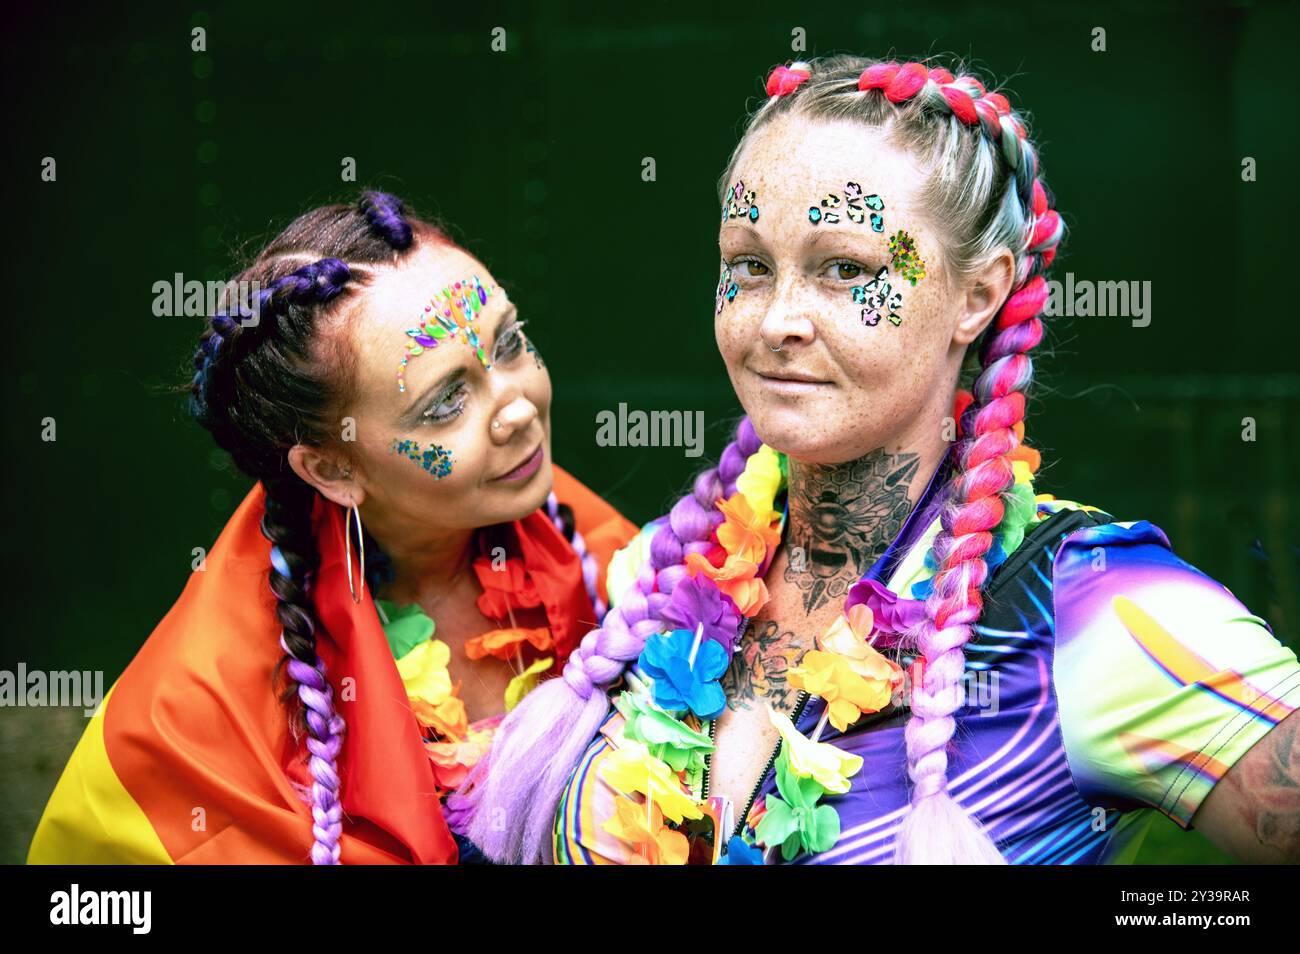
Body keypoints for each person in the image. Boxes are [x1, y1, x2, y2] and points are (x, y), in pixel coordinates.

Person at [455, 57, 1300, 865]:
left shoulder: (1084, 608)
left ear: (979, 294)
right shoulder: (658, 583)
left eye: (845, 270)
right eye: (748, 265)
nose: (777, 318)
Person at [27, 191, 637, 864]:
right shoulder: (187, 722)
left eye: (511, 343)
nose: (517, 409)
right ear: (331, 468)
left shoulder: (596, 550)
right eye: (447, 401)